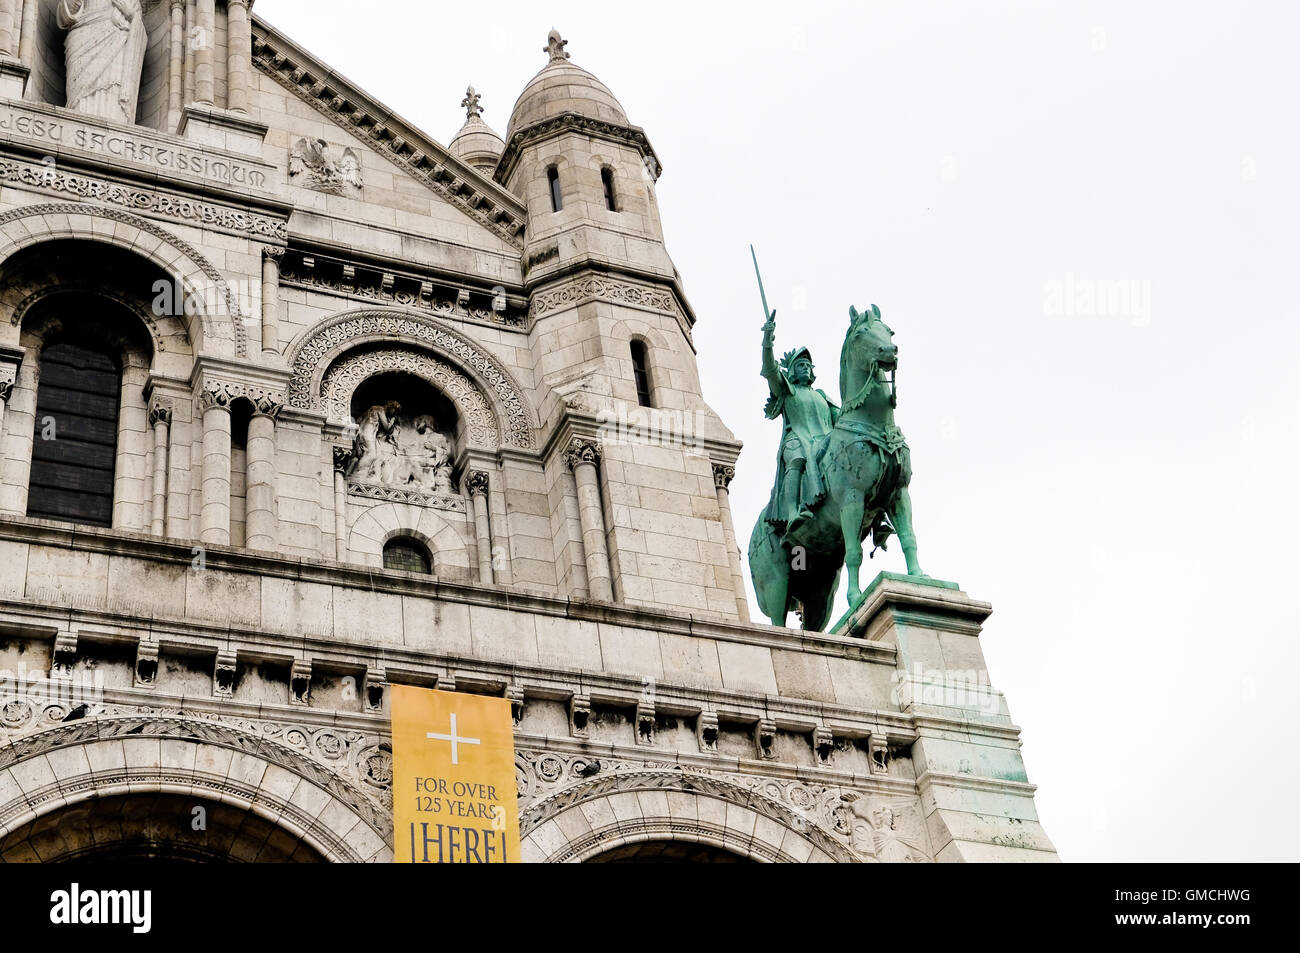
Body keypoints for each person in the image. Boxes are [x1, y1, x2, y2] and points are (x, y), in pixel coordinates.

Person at [759, 309, 839, 531]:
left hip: (826, 440)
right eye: (800, 365)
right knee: (797, 458)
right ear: (792, 371)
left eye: (808, 365)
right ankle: (793, 512)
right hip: (798, 439)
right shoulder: (788, 390)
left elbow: (840, 418)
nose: (805, 367)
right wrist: (768, 342)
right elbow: (770, 370)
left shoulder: (822, 395)